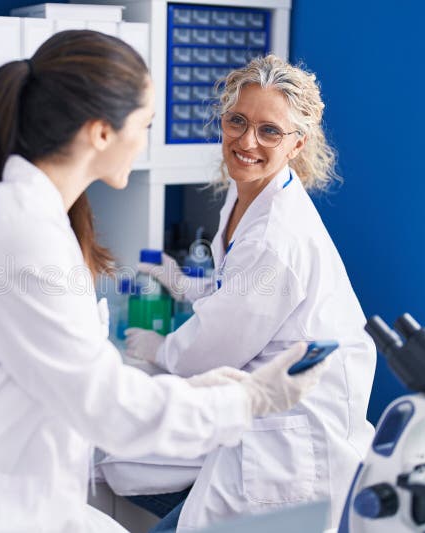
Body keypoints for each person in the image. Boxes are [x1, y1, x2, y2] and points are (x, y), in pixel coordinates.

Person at [0, 32, 327, 533]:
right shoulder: (22, 233)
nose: (146, 140)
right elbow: (108, 408)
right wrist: (248, 398)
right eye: (144, 125)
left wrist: (212, 388)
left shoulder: (30, 218)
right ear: (102, 133)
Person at [120, 54, 376, 531]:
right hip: (259, 410)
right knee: (124, 468)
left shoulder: (277, 236)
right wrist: (186, 284)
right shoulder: (251, 193)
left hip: (291, 436)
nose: (246, 141)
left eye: (269, 131)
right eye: (237, 121)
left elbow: (209, 351)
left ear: (297, 142)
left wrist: (161, 351)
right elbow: (240, 294)